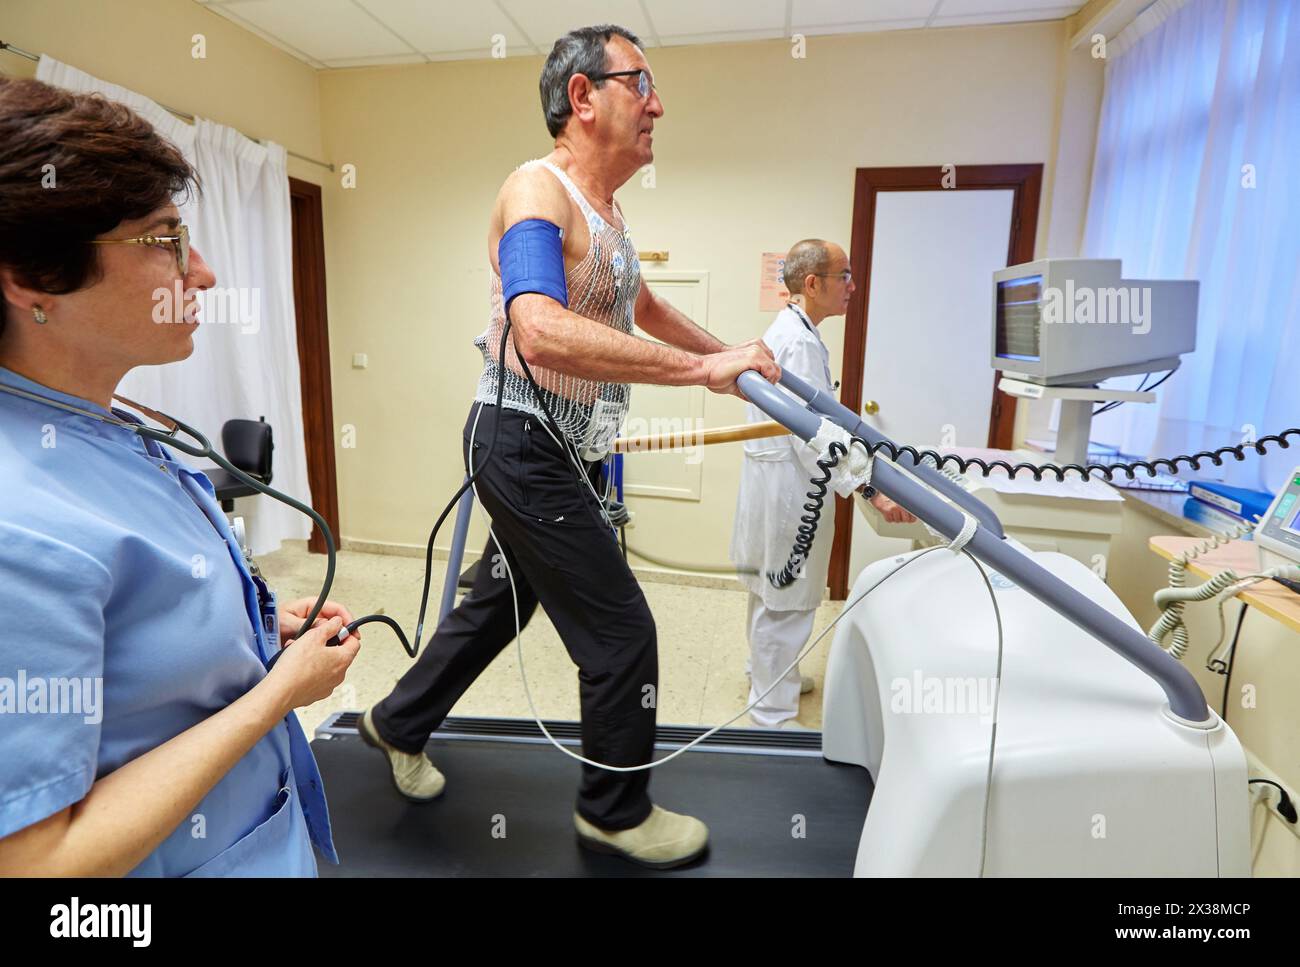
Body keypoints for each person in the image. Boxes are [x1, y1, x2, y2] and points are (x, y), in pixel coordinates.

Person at [358, 24, 779, 870]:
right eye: (640, 83)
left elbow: (647, 308)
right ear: (583, 98)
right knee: (622, 630)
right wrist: (703, 370)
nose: (657, 103)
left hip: (563, 446)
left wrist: (740, 358)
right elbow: (541, 330)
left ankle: (395, 719)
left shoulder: (609, 214)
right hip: (520, 441)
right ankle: (614, 810)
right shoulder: (535, 192)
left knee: (500, 605)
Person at [0, 77, 361, 876]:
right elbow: (35, 862)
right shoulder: (16, 523)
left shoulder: (93, 422)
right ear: (30, 276)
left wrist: (255, 639)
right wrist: (278, 692)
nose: (200, 272)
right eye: (163, 241)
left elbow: (123, 652)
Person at [730, 239, 914, 729]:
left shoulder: (792, 332)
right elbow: (813, 435)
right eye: (844, 276)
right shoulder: (801, 342)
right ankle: (770, 710)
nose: (852, 287)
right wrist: (869, 487)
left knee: (770, 589)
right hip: (791, 489)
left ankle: (768, 675)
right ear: (813, 284)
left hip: (774, 484)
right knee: (786, 600)